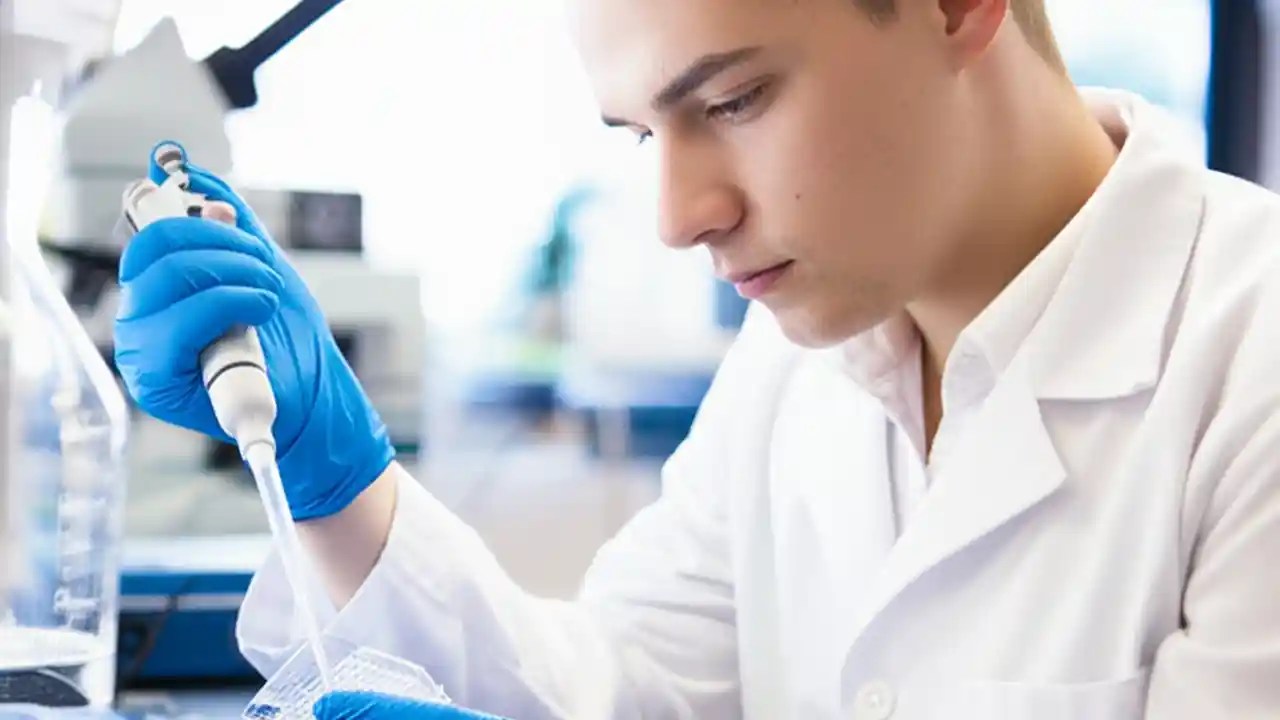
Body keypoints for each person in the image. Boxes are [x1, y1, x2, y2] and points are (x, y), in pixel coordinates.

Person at [113, 0, 1280, 717]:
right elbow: (614, 693)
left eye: (730, 99)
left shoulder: (1247, 363)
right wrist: (336, 487)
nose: (677, 216)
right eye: (638, 135)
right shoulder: (799, 363)